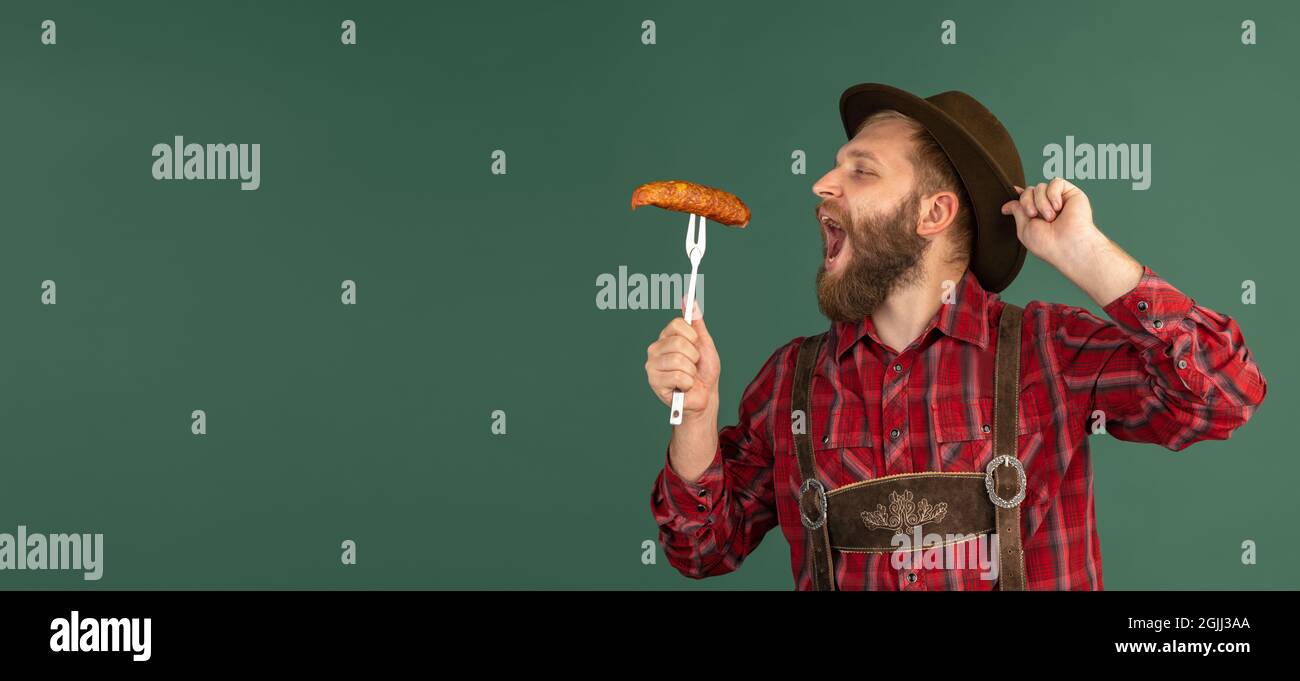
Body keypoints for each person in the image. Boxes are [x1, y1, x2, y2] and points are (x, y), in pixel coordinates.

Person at [644, 83, 1267, 590]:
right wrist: (695, 418)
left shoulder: (1050, 352)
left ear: (933, 213)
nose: (822, 185)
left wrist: (1083, 253)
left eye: (861, 171)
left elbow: (1224, 395)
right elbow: (702, 550)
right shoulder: (790, 382)